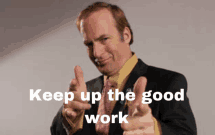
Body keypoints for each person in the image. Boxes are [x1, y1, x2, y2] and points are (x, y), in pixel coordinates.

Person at [50, 2, 197, 135]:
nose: (96, 53)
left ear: (126, 35)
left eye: (104, 39)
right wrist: (67, 119)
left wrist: (155, 130)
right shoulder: (86, 90)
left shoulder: (168, 82)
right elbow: (55, 131)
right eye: (89, 44)